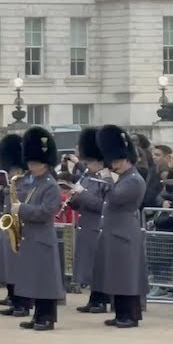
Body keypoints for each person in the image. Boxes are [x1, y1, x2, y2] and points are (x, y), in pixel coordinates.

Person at [10, 127, 66, 331]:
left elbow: (45, 212)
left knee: (45, 280)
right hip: (32, 237)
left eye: (34, 163)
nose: (30, 166)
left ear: (44, 163)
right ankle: (37, 316)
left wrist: (21, 208)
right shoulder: (34, 183)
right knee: (35, 278)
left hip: (43, 237)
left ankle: (47, 317)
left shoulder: (50, 185)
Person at [95, 125, 146, 329]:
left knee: (127, 277)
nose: (114, 165)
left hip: (125, 232)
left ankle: (130, 315)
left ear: (127, 159)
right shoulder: (124, 178)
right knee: (117, 275)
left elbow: (115, 199)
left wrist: (107, 180)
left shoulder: (134, 180)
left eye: (117, 161)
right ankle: (120, 313)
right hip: (115, 231)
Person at [68, 128, 111, 314]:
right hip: (85, 224)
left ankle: (101, 300)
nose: (89, 165)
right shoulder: (88, 177)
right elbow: (83, 202)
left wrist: (82, 195)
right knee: (88, 266)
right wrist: (73, 200)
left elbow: (104, 205)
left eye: (92, 162)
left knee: (98, 266)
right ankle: (94, 298)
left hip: (98, 226)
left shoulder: (107, 179)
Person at [0, 134, 26, 312]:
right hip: (7, 225)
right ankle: (11, 296)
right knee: (6, 264)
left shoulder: (24, 180)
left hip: (19, 228)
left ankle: (19, 300)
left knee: (16, 265)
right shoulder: (11, 179)